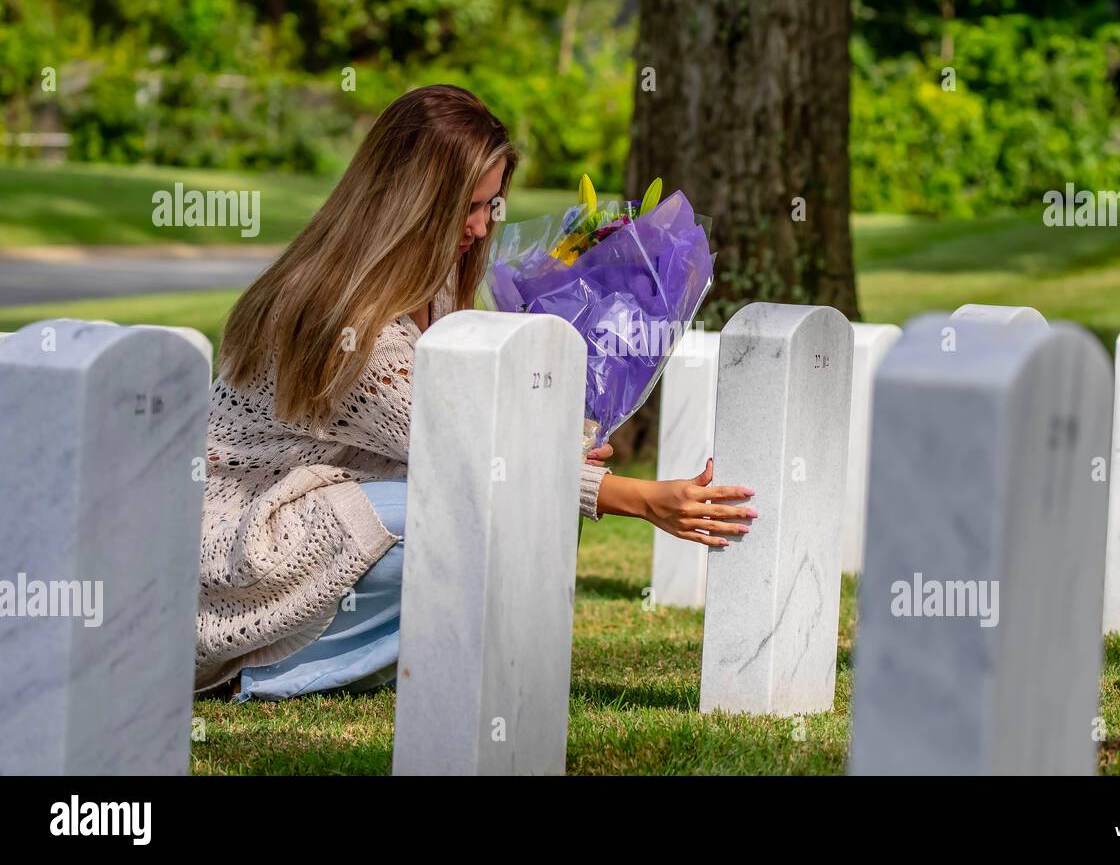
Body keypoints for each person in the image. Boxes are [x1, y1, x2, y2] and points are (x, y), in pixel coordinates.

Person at [195, 84, 757, 701]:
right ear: (410, 201)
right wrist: (642, 500)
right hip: (245, 548)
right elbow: (469, 453)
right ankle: (271, 666)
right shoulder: (351, 324)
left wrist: (562, 437)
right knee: (484, 507)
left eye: (492, 205)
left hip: (319, 514)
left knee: (505, 507)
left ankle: (386, 661)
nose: (480, 226)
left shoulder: (427, 289)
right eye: (466, 205)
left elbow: (481, 430)